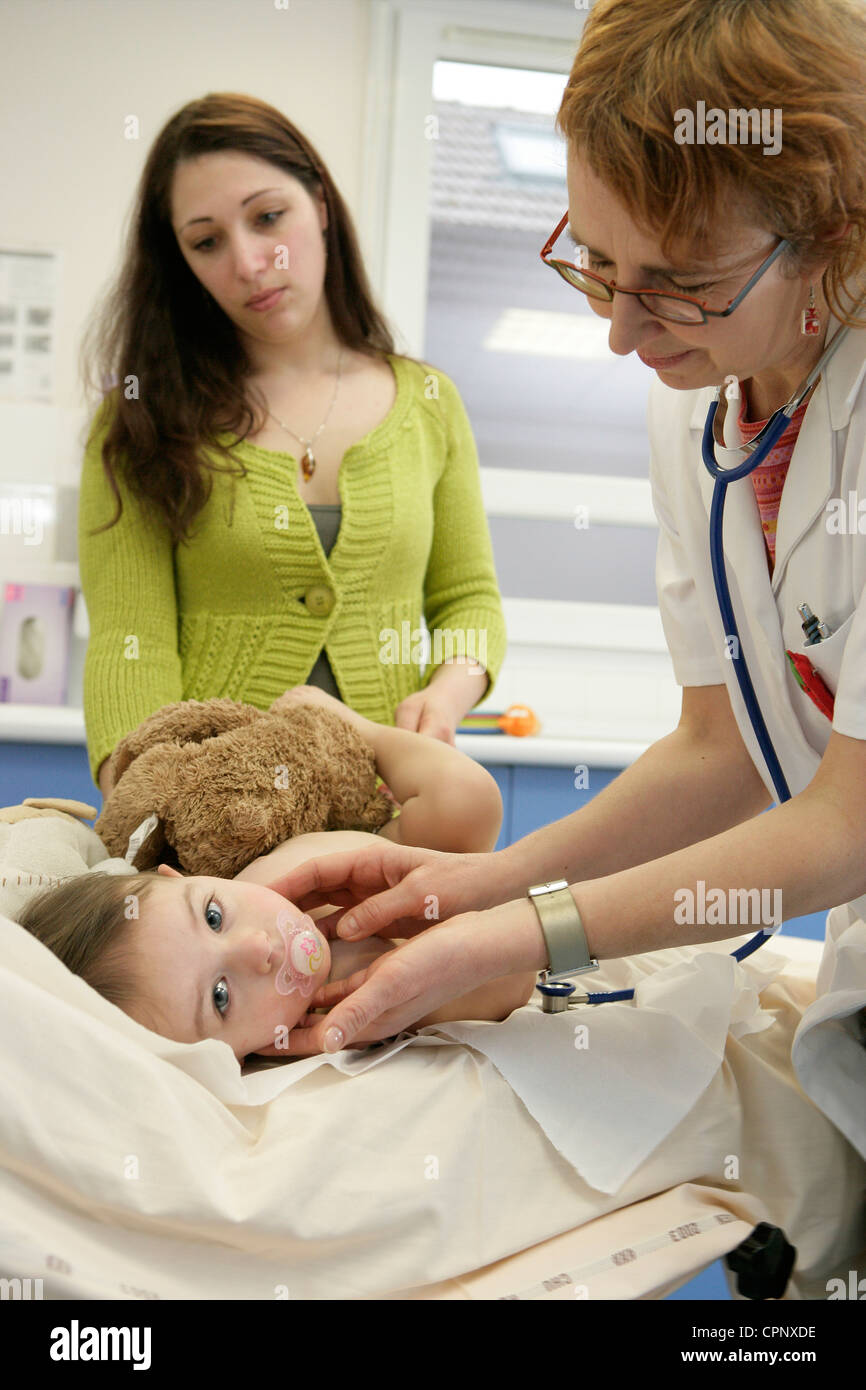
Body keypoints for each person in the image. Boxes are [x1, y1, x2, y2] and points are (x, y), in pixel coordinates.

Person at [257, 0, 866, 1170]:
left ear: (834, 238)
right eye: (596, 261)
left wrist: (533, 934)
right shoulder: (697, 392)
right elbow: (722, 749)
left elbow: (847, 818)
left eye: (680, 281)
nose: (621, 332)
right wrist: (482, 883)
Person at [76, 92, 506, 805]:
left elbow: (468, 599)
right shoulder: (140, 419)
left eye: (268, 217)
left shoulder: (429, 405)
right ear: (179, 260)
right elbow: (131, 643)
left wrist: (448, 692)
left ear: (321, 205)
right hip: (218, 830)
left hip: (396, 813)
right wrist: (149, 808)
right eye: (206, 241)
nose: (247, 262)